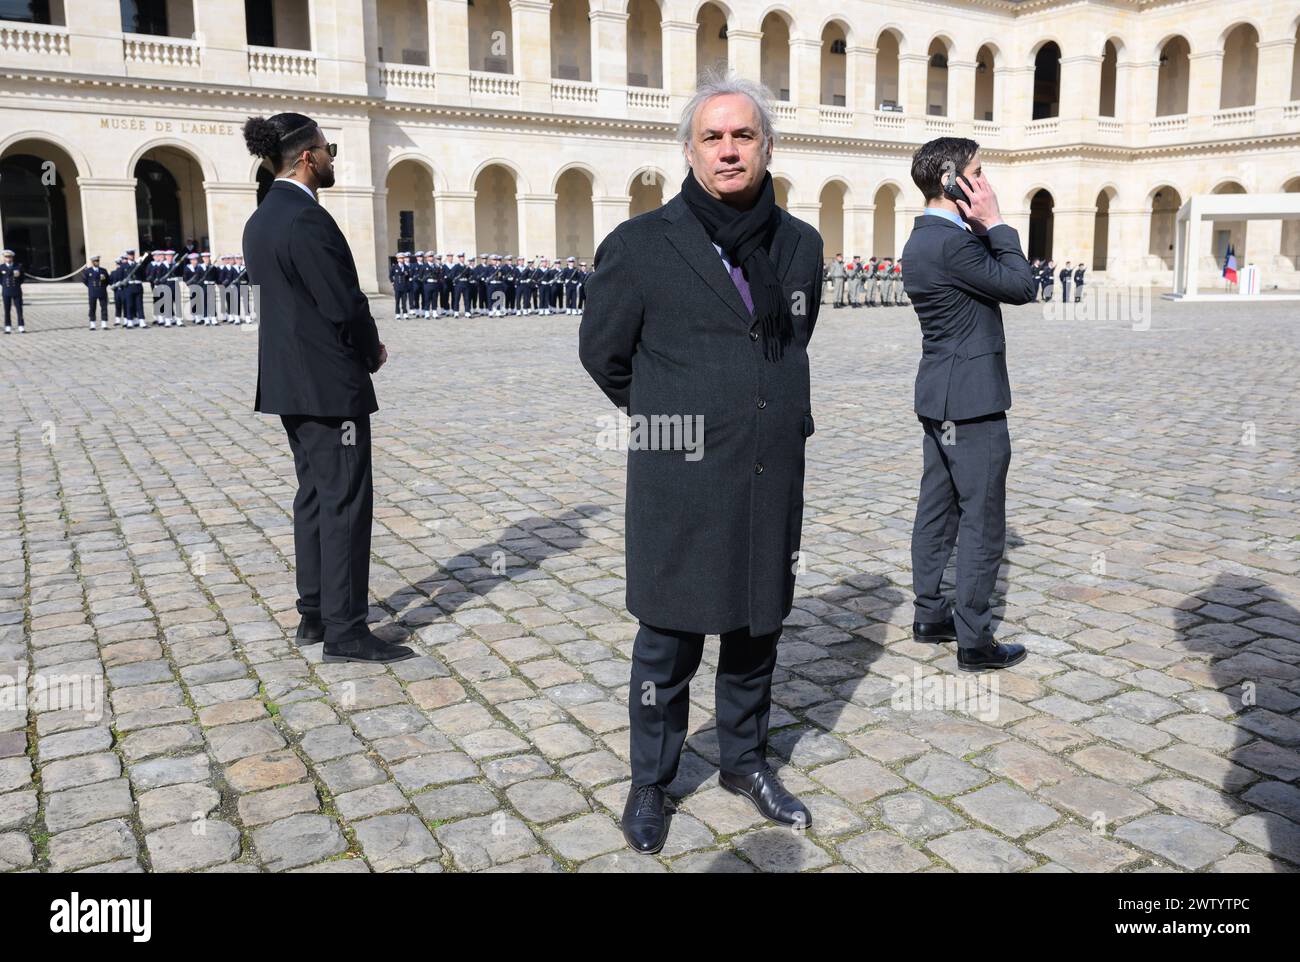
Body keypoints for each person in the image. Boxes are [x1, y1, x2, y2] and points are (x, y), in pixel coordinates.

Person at [580, 68, 822, 854]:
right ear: (687, 150)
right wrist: (676, 420)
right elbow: (605, 356)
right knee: (669, 638)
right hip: (679, 477)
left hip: (769, 470)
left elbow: (790, 341)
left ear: (767, 146)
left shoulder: (799, 245)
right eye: (712, 137)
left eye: (743, 135)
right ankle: (651, 779)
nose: (728, 150)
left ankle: (744, 761)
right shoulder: (641, 246)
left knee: (758, 627)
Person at [241, 111, 413, 664]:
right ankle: (346, 630)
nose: (333, 158)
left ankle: (314, 613)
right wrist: (372, 350)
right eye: (328, 148)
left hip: (290, 384)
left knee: (314, 498)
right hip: (328, 385)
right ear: (308, 157)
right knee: (344, 503)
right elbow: (343, 303)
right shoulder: (307, 220)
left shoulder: (262, 217)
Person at [901, 136, 1036, 672]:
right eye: (978, 172)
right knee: (981, 518)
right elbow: (1022, 285)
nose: (986, 182)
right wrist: (998, 223)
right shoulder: (952, 245)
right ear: (951, 181)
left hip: (939, 394)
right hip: (974, 402)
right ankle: (975, 639)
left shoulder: (923, 239)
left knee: (936, 508)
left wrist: (978, 228)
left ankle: (930, 614)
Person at [83, 255, 109, 330]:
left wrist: (103, 286)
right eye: (95, 261)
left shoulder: (103, 270)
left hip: (102, 290)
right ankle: (92, 323)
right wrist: (91, 286)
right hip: (93, 291)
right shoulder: (88, 271)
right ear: (92, 262)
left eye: (98, 261)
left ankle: (104, 323)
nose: (97, 262)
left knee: (104, 307)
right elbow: (85, 281)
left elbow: (107, 281)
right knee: (92, 307)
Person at [2, 249, 25, 334]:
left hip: (16, 290)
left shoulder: (18, 266)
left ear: (12, 257)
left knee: (19, 309)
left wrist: (17, 285)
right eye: (6, 257)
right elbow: (1, 280)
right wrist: (5, 286)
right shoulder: (1, 267)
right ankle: (8, 327)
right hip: (6, 291)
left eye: (10, 257)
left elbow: (22, 278)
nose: (8, 258)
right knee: (7, 309)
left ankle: (21, 326)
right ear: (4, 258)